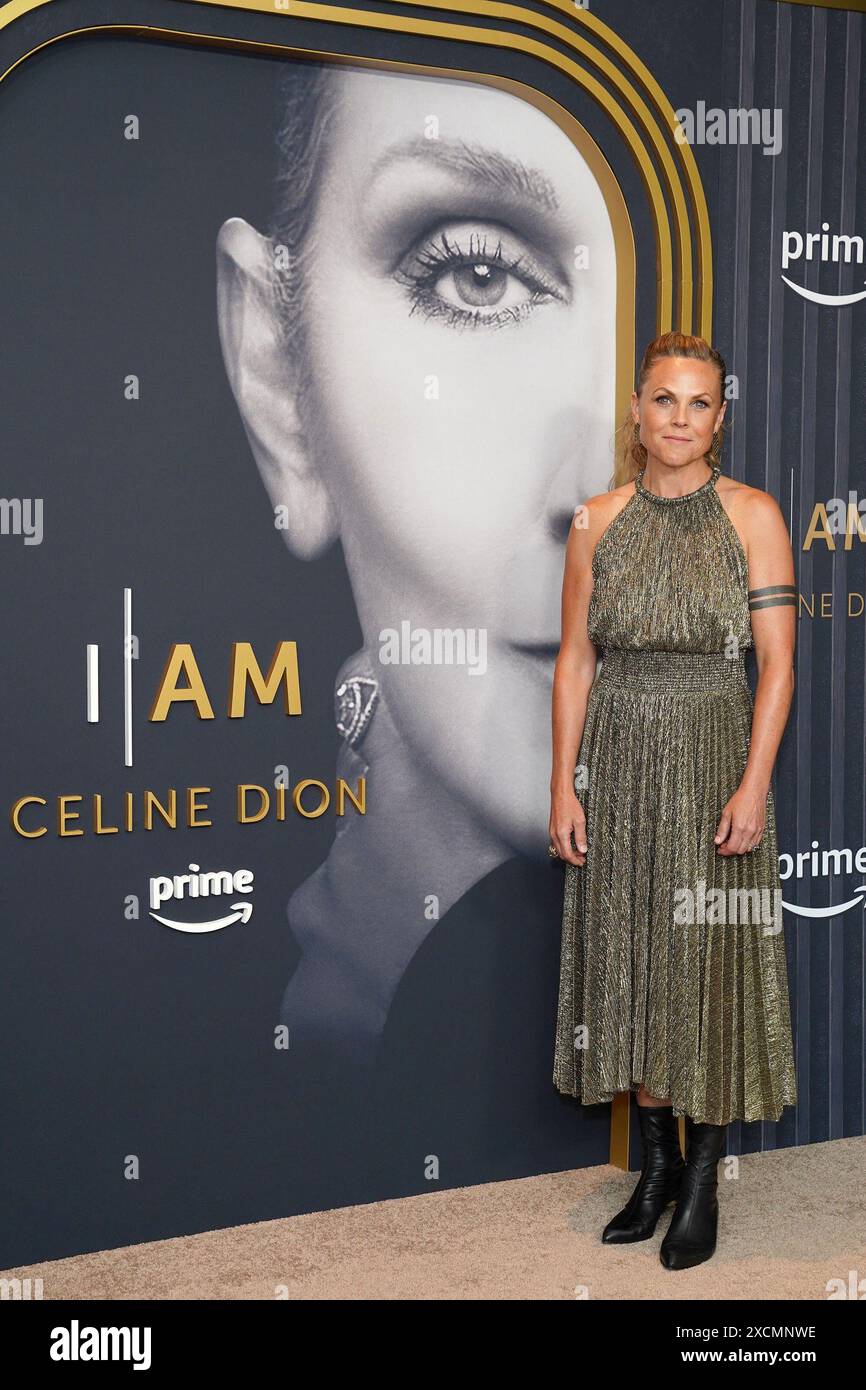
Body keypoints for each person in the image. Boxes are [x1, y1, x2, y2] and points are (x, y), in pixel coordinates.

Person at [548, 332, 798, 1270]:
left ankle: (701, 1182)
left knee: (710, 965)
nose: (680, 419)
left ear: (720, 417)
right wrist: (561, 780)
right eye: (664, 401)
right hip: (615, 758)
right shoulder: (594, 521)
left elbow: (776, 665)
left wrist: (754, 780)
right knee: (632, 958)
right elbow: (576, 660)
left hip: (712, 753)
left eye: (699, 404)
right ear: (638, 412)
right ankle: (653, 1171)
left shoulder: (754, 517)